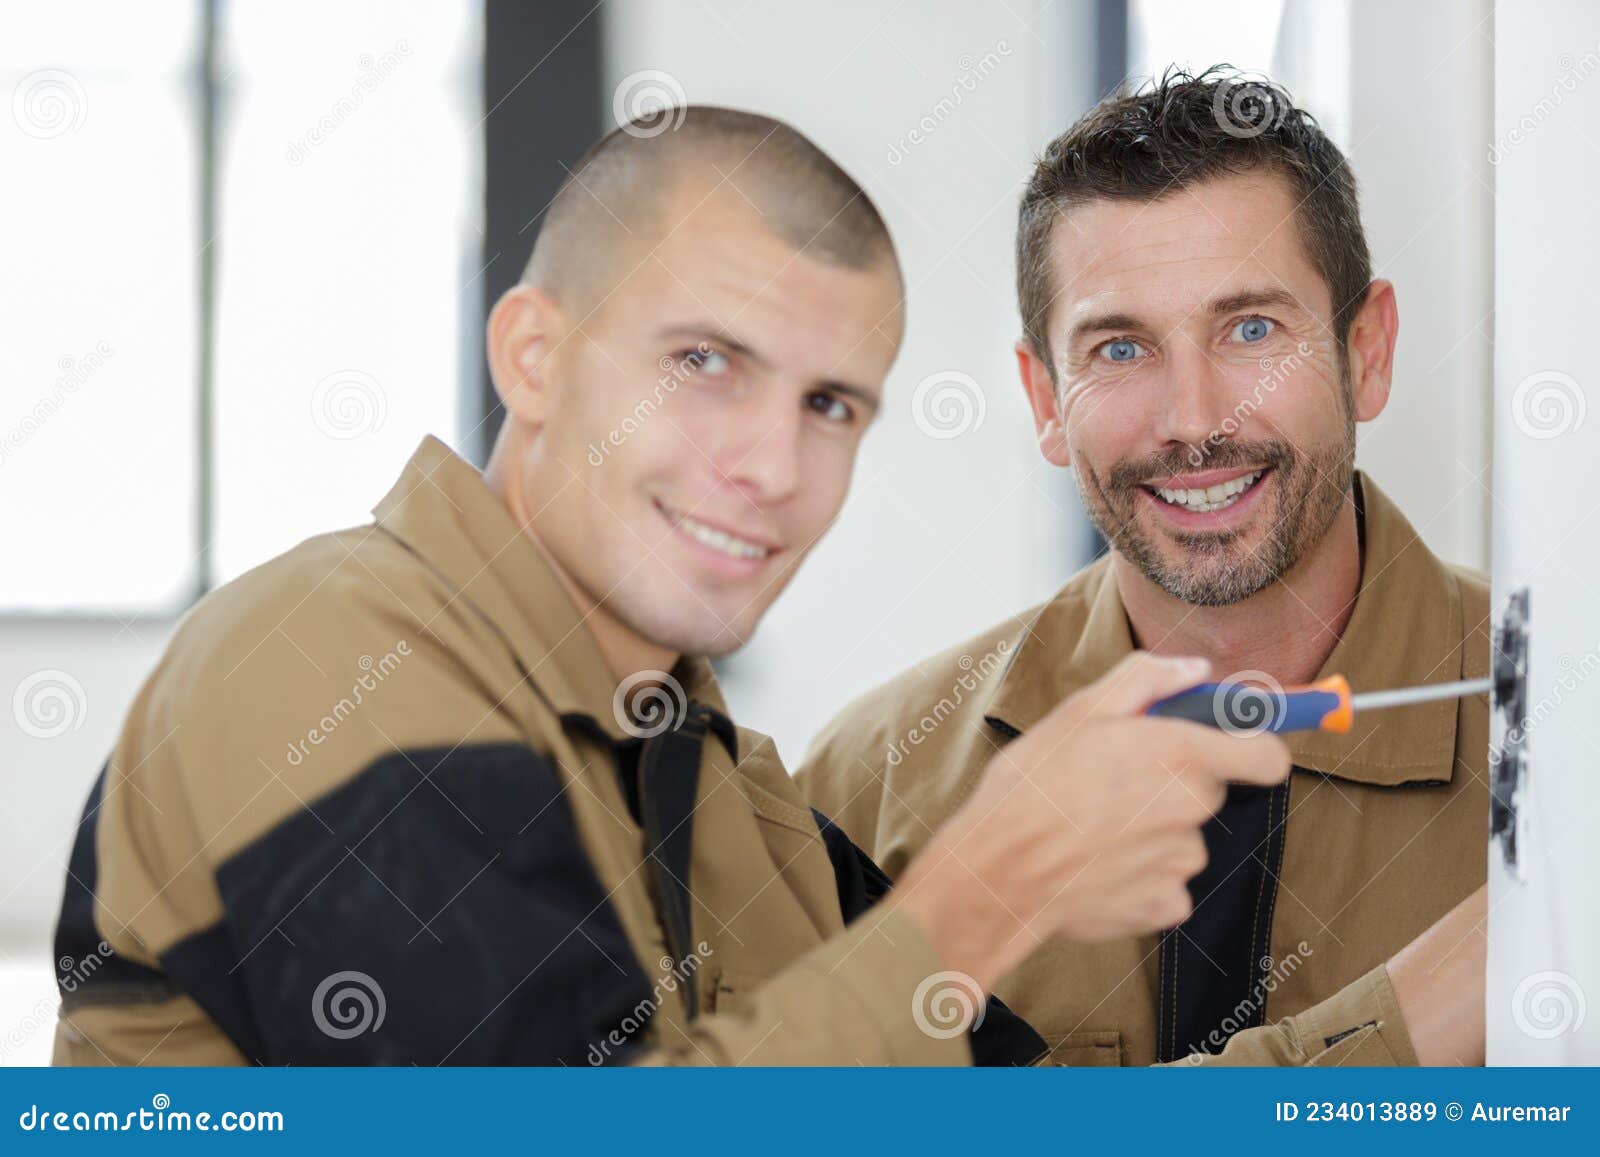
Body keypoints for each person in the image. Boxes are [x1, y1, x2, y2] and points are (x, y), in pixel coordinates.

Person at [52, 106, 1472, 1068]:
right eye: (705, 363)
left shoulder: (735, 792)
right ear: (535, 356)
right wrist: (985, 891)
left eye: (832, 404)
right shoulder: (328, 656)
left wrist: (1432, 1002)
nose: (769, 466)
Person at [798, 70, 1491, 1066]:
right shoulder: (864, 788)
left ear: (1365, 351)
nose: (1191, 421)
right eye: (1120, 347)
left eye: (1251, 329)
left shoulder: (1566, 737)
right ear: (1044, 398)